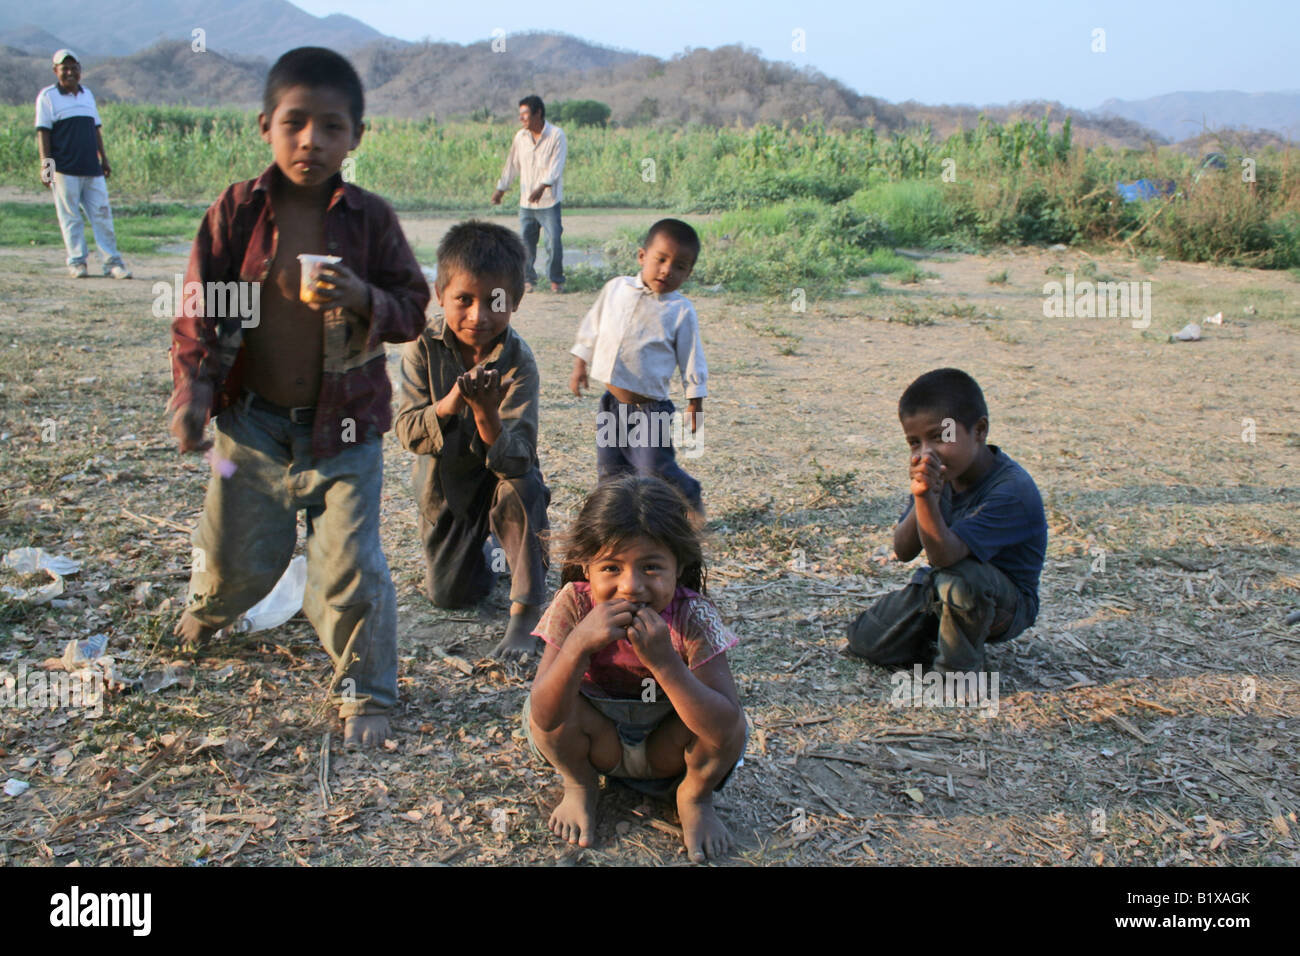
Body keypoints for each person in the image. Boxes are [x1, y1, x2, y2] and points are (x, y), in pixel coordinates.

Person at [166, 47, 430, 749]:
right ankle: (211, 605)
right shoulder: (236, 212)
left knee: (349, 566)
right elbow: (200, 309)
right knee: (233, 553)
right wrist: (192, 391)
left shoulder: (370, 220)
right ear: (265, 126)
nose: (312, 139)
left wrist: (363, 296)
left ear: (356, 138)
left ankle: (365, 689)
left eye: (331, 126)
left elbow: (413, 309)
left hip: (346, 433)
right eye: (295, 123)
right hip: (249, 429)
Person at [525, 475, 746, 863]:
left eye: (651, 567)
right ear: (585, 566)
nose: (630, 586)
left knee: (729, 723)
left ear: (679, 566)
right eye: (611, 567)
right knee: (542, 708)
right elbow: (544, 716)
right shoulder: (574, 607)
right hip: (598, 744)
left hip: (671, 749)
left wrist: (665, 664)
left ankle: (694, 797)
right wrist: (578, 646)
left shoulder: (692, 616)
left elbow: (726, 728)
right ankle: (579, 784)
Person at [393, 220, 550, 661]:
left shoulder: (518, 361)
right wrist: (453, 402)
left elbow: (518, 460)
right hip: (445, 491)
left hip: (500, 481)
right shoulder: (422, 348)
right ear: (440, 294)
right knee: (450, 595)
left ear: (515, 301)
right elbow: (408, 432)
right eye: (464, 300)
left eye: (495, 301)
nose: (479, 316)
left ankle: (525, 611)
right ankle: (492, 547)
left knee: (523, 489)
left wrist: (486, 415)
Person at [846, 368, 1047, 675]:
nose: (926, 453)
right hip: (941, 586)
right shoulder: (941, 474)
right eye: (914, 442)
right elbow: (903, 549)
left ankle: (958, 673)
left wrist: (927, 497)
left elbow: (946, 556)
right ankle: (940, 639)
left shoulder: (1011, 491)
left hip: (1003, 603)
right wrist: (925, 496)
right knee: (865, 641)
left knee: (961, 578)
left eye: (941, 437)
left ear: (979, 431)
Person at [569, 218, 707, 515]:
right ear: (642, 256)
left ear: (688, 273)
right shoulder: (616, 289)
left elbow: (692, 357)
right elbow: (593, 325)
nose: (668, 270)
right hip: (611, 404)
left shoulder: (679, 310)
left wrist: (695, 402)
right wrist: (580, 362)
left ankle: (689, 493)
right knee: (610, 469)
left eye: (680, 266)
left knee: (653, 471)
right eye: (661, 259)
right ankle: (614, 521)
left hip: (651, 410)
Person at [34, 50, 130, 279]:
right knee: (71, 218)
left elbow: (95, 129)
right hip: (64, 170)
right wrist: (46, 167)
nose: (69, 72)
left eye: (73, 67)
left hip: (91, 168)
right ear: (55, 71)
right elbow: (43, 134)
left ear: (80, 70)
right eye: (64, 68)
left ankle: (112, 263)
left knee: (102, 215)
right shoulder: (47, 97)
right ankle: (77, 262)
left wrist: (104, 159)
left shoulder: (88, 95)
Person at [490, 95, 566, 293]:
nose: (521, 119)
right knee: (525, 245)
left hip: (549, 202)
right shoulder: (520, 137)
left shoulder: (556, 135)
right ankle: (528, 280)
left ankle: (556, 280)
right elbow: (512, 165)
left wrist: (542, 187)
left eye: (525, 114)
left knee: (554, 242)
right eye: (520, 115)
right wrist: (501, 190)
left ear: (538, 113)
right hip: (526, 202)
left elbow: (555, 168)